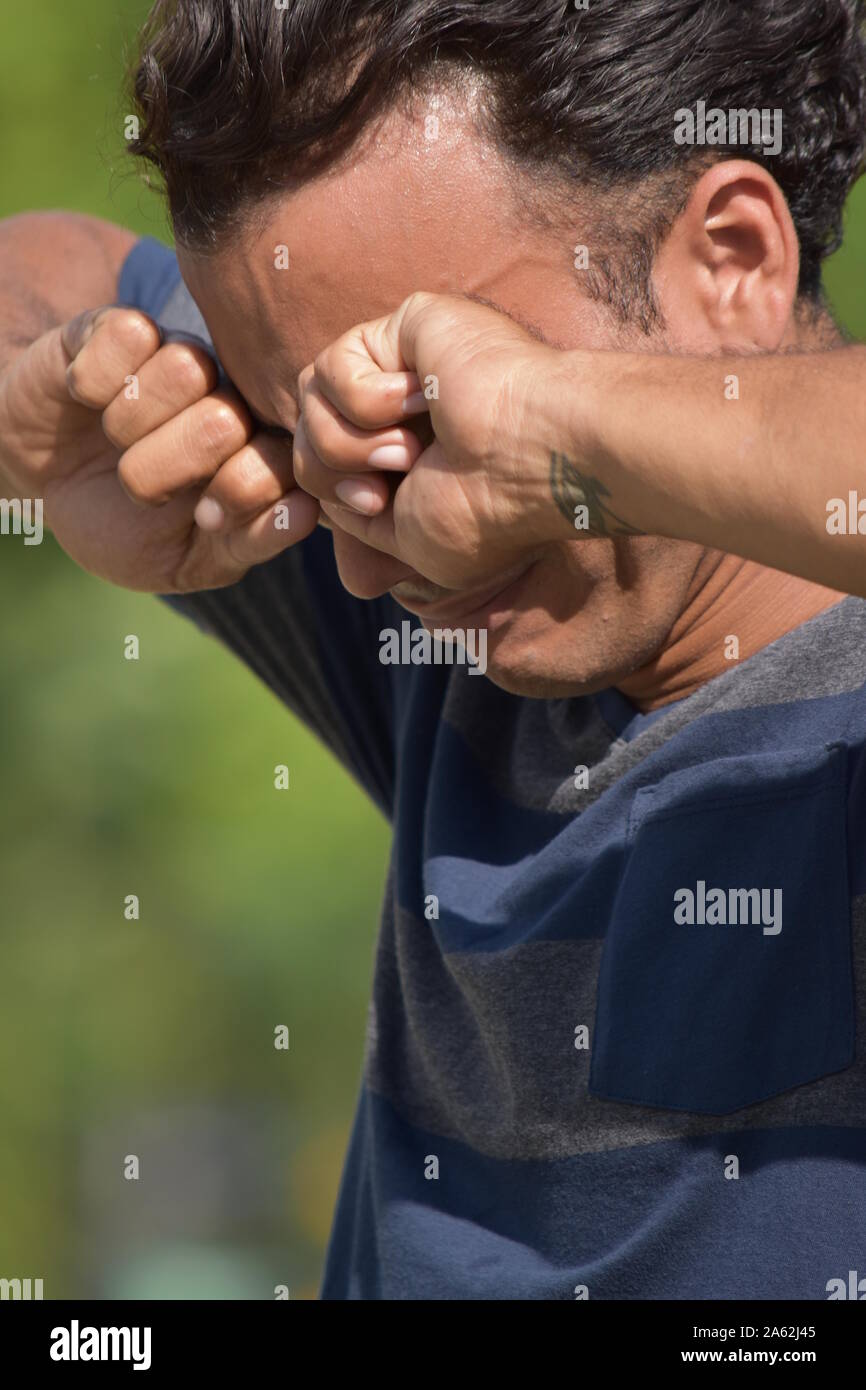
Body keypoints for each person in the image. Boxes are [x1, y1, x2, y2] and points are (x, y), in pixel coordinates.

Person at [2, 0, 866, 1299]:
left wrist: (551, 430)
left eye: (415, 416)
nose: (359, 567)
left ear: (733, 260)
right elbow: (42, 256)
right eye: (307, 442)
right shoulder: (463, 624)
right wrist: (83, 405)